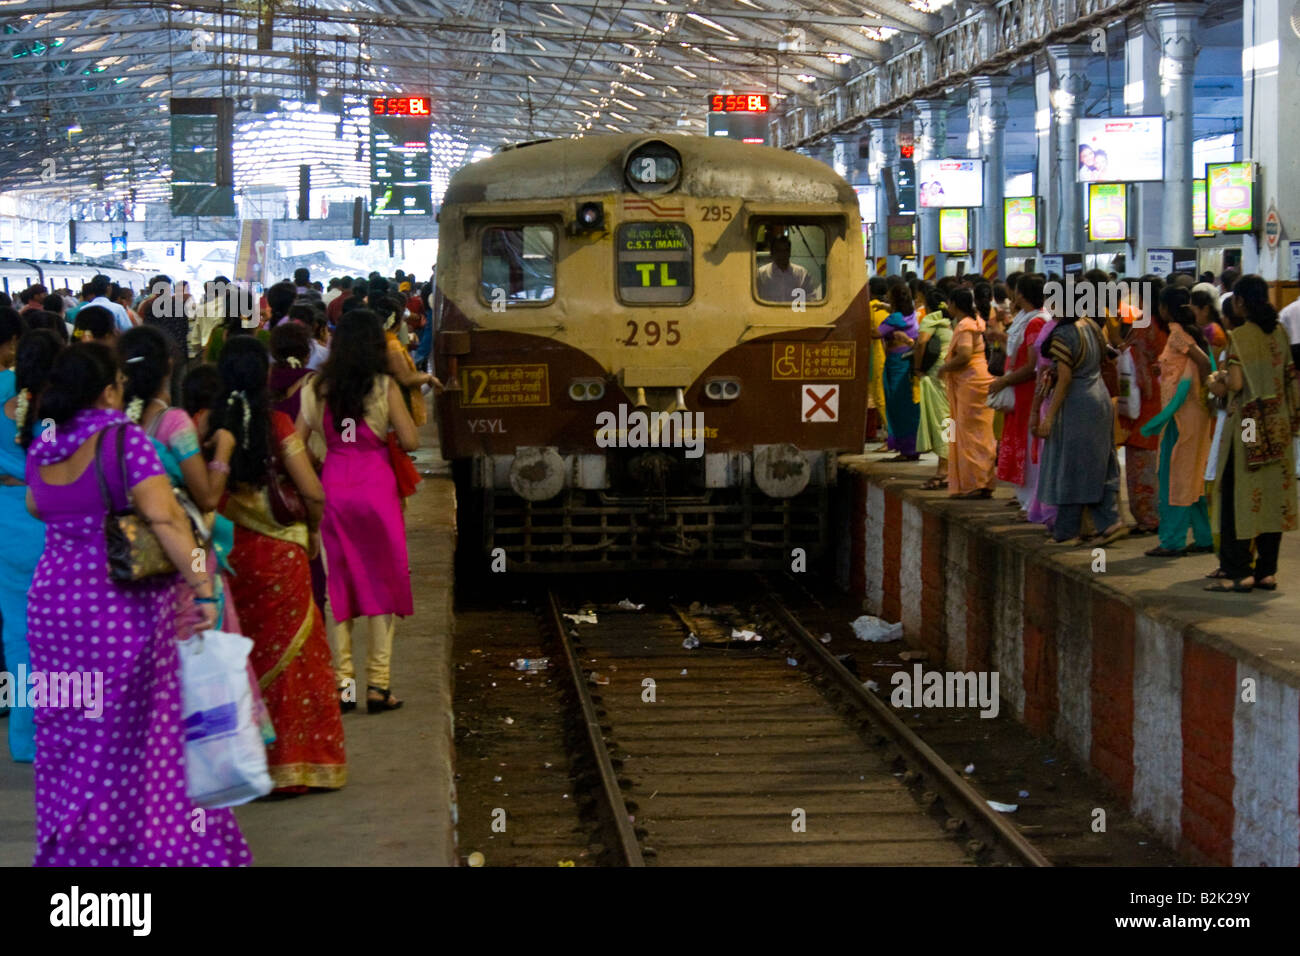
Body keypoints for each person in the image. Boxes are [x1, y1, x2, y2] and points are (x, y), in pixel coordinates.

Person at [24, 342, 250, 865]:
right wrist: (203, 587)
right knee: (134, 737)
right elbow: (168, 521)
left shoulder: (46, 444)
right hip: (117, 610)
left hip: (54, 610)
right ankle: (142, 846)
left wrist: (78, 526)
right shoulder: (123, 443)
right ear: (107, 390)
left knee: (68, 735)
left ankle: (75, 850)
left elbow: (38, 504)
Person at [211, 336, 345, 791]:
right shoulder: (277, 425)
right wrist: (310, 530)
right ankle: (296, 765)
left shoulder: (206, 429)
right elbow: (311, 491)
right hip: (280, 556)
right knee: (294, 660)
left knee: (239, 656)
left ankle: (244, 766)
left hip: (227, 557)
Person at [297, 310, 418, 714]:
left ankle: (343, 688)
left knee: (339, 588)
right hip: (376, 490)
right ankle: (378, 687)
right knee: (382, 584)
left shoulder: (315, 387)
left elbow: (295, 441)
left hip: (334, 488)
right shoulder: (384, 386)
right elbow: (412, 439)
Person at [119, 326, 239, 627]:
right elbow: (208, 498)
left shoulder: (116, 424)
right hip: (181, 552)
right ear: (169, 368)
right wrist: (223, 451)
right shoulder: (175, 422)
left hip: (132, 552)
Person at [1204, 276, 1300, 592]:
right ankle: (1266, 571)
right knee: (1273, 493)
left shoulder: (1241, 336)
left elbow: (1235, 384)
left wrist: (1213, 382)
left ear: (1242, 302)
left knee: (1238, 490)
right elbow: (1289, 378)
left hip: (1249, 424)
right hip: (1279, 423)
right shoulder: (1280, 333)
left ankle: (1238, 570)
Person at [0, 329, 61, 762]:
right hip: (51, 520)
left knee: (18, 632)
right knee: (60, 635)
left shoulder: (3, 387)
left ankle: (24, 737)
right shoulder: (59, 406)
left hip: (5, 518)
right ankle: (61, 726)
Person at [1033, 308, 1128, 547]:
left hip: (1077, 403)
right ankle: (1110, 521)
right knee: (1100, 462)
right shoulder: (1092, 326)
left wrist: (1049, 417)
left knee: (1071, 466)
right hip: (1100, 397)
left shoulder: (1064, 334)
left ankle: (1067, 531)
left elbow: (1064, 379)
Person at [1139, 288, 1214, 558]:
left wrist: (1206, 391)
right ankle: (1204, 538)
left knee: (1174, 477)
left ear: (1165, 308)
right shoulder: (1191, 332)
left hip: (1181, 416)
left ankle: (1172, 540)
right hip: (1191, 415)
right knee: (1191, 476)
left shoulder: (1178, 333)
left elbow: (1203, 364)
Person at [992, 275, 1050, 513]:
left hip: (1027, 392)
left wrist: (1003, 381)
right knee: (1023, 443)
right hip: (1020, 390)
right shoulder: (1026, 320)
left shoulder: (1035, 322)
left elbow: (1031, 366)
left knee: (1028, 446)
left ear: (1021, 295)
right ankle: (1027, 501)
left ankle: (1031, 503)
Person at [1119, 279, 1170, 535]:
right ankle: (1164, 514)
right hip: (1165, 394)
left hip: (1144, 397)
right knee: (1160, 459)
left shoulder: (1143, 324)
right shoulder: (1169, 323)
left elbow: (1136, 367)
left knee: (1141, 459)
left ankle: (1148, 517)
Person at [939, 288, 997, 498]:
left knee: (967, 433)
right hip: (978, 380)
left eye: (949, 303)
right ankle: (983, 481)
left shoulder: (964, 325)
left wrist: (944, 368)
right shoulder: (977, 321)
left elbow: (964, 355)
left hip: (970, 383)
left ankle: (974, 483)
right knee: (981, 433)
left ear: (954, 304)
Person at [914, 289, 953, 489]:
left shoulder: (931, 318)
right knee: (950, 418)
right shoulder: (952, 319)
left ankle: (943, 470)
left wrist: (918, 368)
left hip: (937, 373)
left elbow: (921, 342)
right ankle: (951, 467)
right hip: (953, 372)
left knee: (941, 420)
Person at [879, 281, 921, 461]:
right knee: (910, 407)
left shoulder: (894, 319)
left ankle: (905, 449)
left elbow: (875, 332)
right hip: (909, 363)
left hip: (896, 364)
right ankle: (913, 447)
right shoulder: (912, 316)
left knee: (896, 406)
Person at [866, 276, 891, 447]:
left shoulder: (871, 308)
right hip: (890, 356)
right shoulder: (888, 310)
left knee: (879, 398)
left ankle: (890, 436)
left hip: (876, 356)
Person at [757, 234, 820, 303]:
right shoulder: (761, 274)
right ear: (772, 252)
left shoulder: (802, 273)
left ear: (789, 252)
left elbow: (811, 298)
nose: (782, 254)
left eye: (785, 250)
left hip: (796, 313)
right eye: (778, 250)